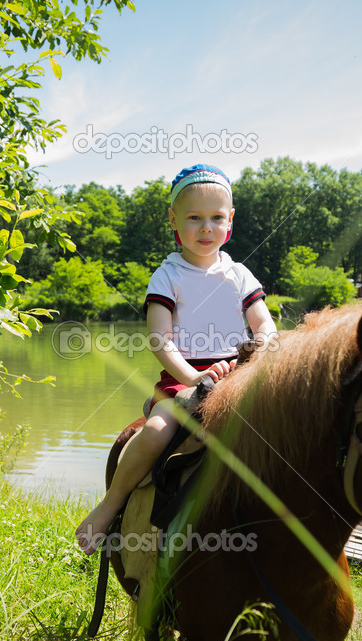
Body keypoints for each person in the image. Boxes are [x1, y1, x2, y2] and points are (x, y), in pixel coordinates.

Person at [75, 164, 277, 554]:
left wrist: (264, 345)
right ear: (173, 219)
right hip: (183, 378)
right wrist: (193, 378)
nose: (206, 228)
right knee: (156, 431)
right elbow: (159, 340)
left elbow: (264, 323)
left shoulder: (239, 274)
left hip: (241, 374)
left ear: (230, 219)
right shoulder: (167, 276)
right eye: (194, 218)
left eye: (217, 218)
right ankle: (112, 503)